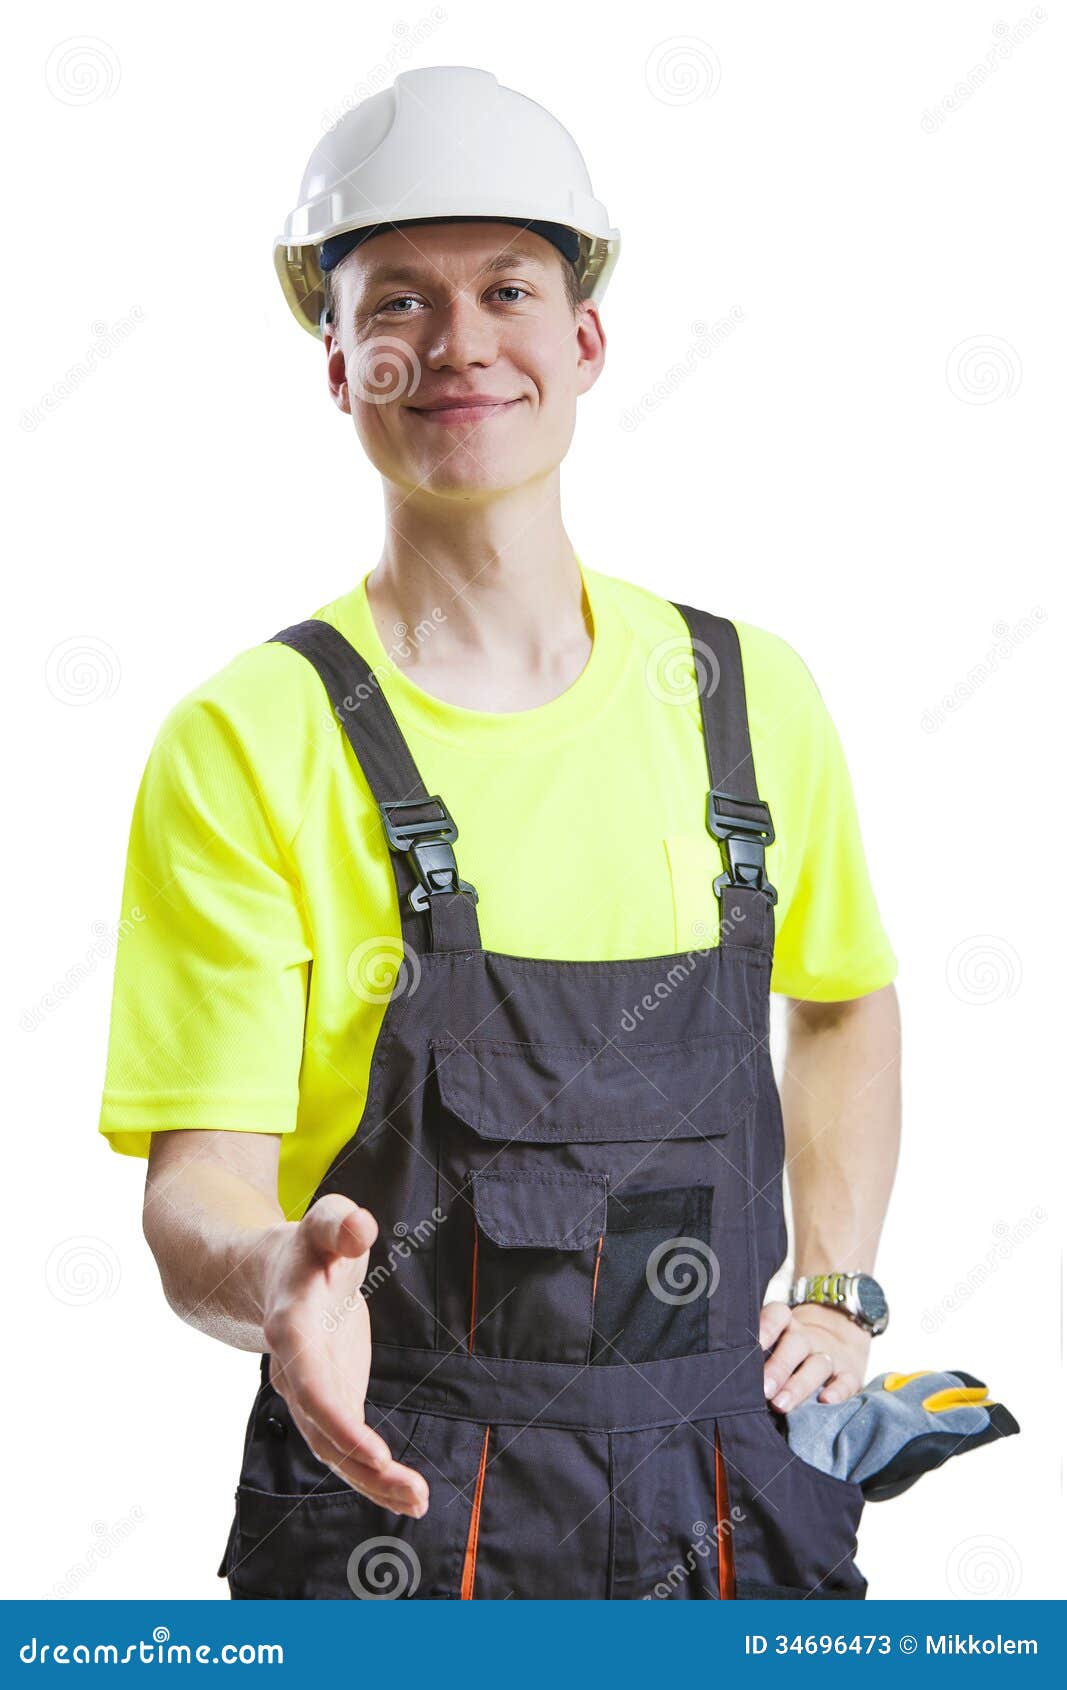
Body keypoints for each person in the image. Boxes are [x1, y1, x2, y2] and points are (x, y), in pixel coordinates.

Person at [98, 66, 901, 1600]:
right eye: (394, 303)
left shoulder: (746, 699)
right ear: (337, 364)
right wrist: (273, 1274)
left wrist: (841, 1281)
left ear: (584, 340)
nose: (457, 343)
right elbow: (198, 1183)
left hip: (725, 1511)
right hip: (398, 1516)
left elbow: (847, 995)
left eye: (506, 289)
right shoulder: (248, 740)